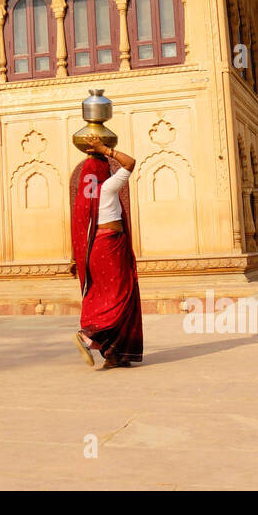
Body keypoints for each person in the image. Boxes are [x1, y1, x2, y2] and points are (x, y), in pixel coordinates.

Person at [71, 135, 143, 369]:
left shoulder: (84, 196)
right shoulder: (106, 187)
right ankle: (89, 335)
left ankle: (114, 353)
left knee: (105, 294)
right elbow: (130, 163)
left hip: (96, 250)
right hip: (111, 246)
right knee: (122, 294)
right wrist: (107, 151)